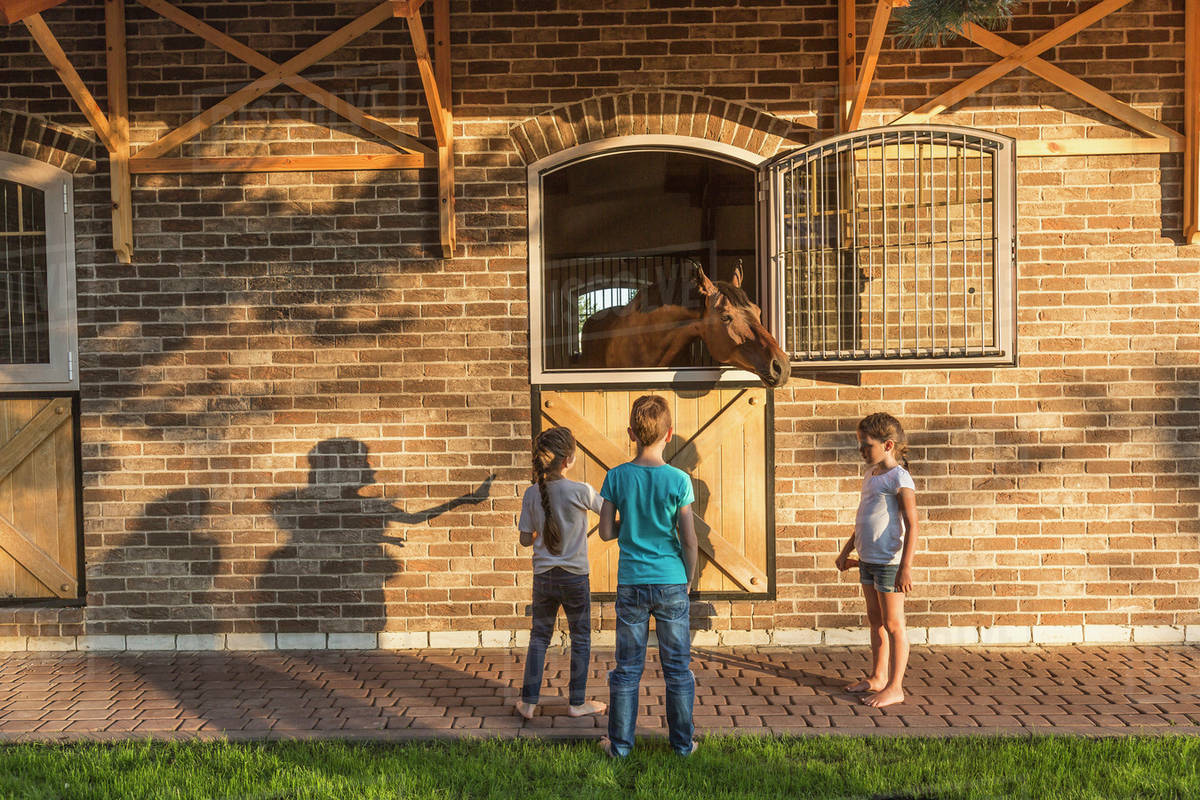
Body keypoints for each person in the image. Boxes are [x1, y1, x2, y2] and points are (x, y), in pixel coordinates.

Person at [598, 394, 698, 757]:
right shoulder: (679, 480)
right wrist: (688, 578)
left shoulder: (617, 477)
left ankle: (620, 746)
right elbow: (689, 540)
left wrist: (633, 524)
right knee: (677, 670)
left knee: (627, 669)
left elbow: (607, 532)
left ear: (631, 433)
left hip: (632, 584)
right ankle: (683, 746)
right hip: (671, 579)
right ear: (669, 434)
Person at [515, 426, 607, 719]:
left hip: (544, 577)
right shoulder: (581, 491)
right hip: (575, 578)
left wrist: (540, 533)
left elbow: (524, 539)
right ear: (568, 459)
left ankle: (528, 702)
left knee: (539, 637)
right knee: (581, 638)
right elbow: (608, 512)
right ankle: (577, 703)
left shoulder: (532, 493)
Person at [835, 412, 920, 708]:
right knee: (875, 621)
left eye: (866, 445)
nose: (861, 451)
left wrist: (906, 567)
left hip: (889, 563)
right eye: (859, 444)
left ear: (888, 445)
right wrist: (847, 550)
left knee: (894, 624)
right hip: (868, 560)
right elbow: (863, 519)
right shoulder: (870, 475)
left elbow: (913, 524)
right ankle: (878, 677)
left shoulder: (899, 477)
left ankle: (896, 687)